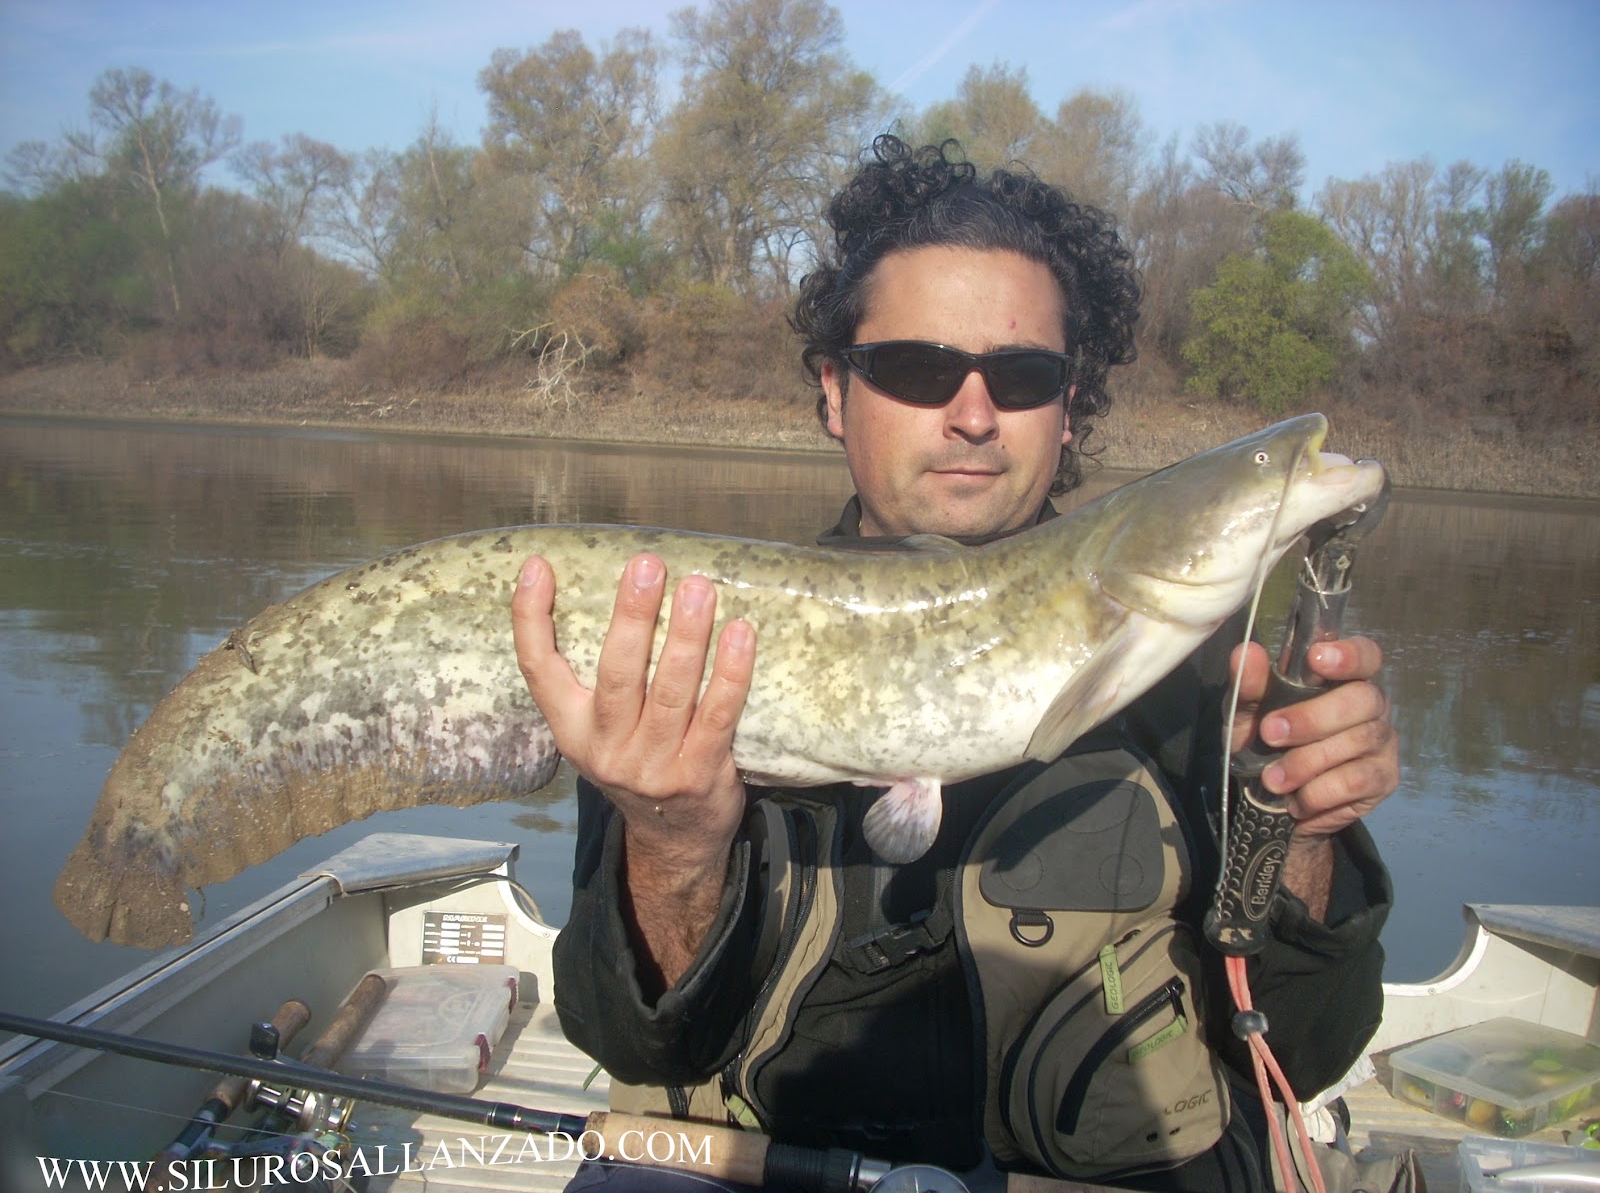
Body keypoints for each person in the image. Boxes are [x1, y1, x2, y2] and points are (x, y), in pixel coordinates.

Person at [512, 137, 1398, 1192]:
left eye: (1021, 377)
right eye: (918, 369)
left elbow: (1304, 1055)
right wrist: (671, 845)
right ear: (835, 392)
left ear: (1068, 408)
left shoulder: (1215, 685)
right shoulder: (689, 639)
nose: (973, 415)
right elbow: (628, 1040)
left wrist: (1299, 832)